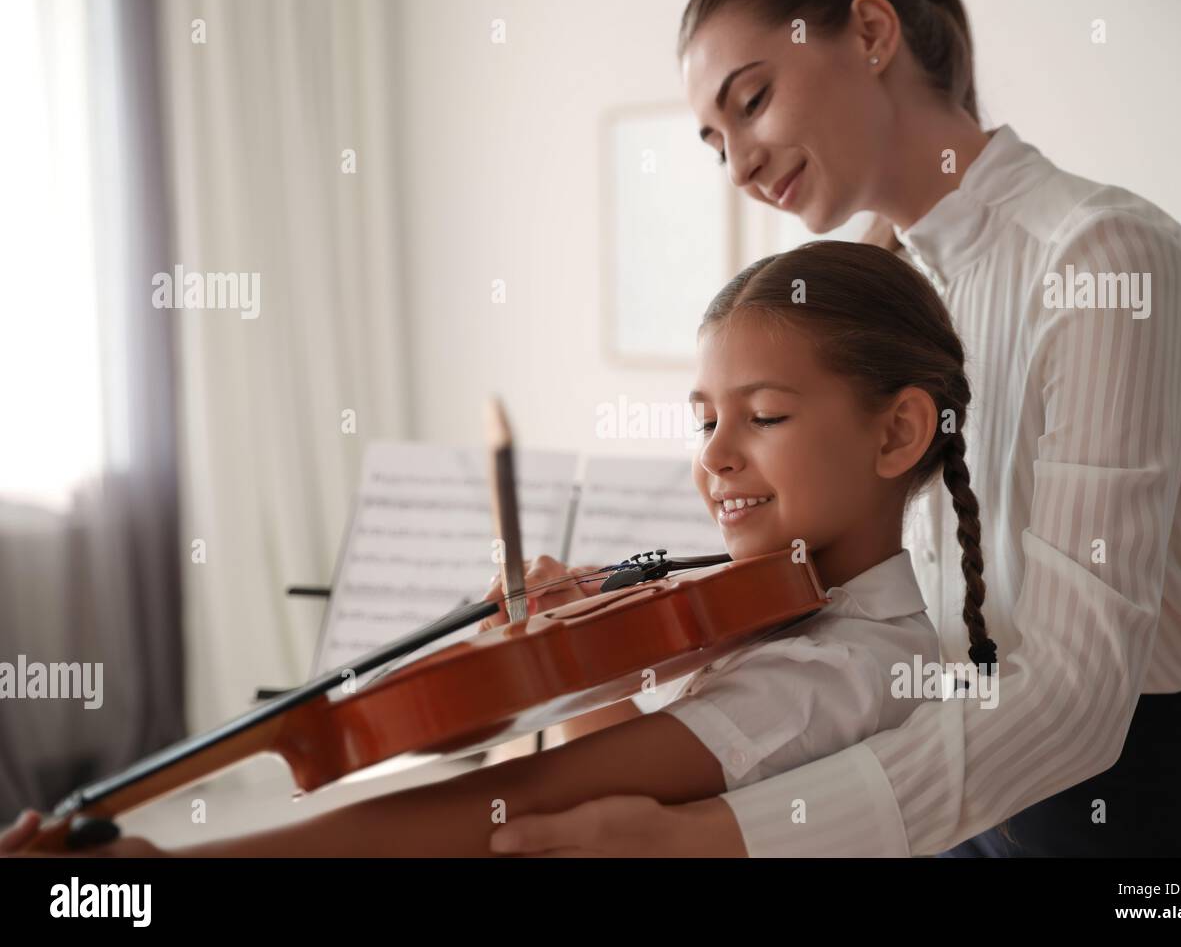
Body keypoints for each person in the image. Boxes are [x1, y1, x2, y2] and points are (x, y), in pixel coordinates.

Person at [485, 0, 1181, 857]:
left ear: (873, 32)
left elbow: (1074, 695)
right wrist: (589, 648)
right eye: (715, 142)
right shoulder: (869, 293)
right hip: (954, 785)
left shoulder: (1105, 263)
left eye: (751, 102)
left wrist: (708, 839)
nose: (738, 167)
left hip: (1164, 819)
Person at [2, 241, 992, 856]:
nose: (717, 457)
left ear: (897, 433)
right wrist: (568, 653)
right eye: (703, 423)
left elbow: (521, 797)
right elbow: (587, 765)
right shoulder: (777, 611)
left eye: (764, 414)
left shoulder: (851, 667)